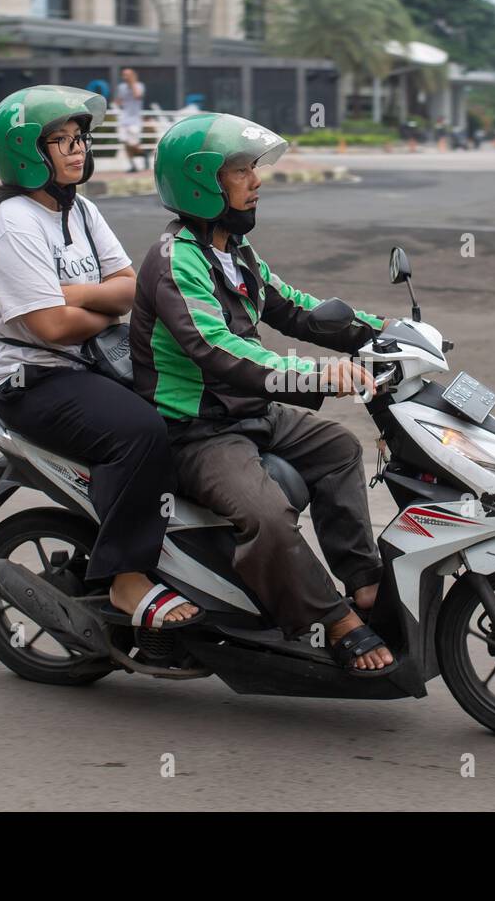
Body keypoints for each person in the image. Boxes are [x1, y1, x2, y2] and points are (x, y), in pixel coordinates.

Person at [128, 112, 398, 675]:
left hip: (252, 412)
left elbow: (296, 309)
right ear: (203, 181)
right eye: (242, 170)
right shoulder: (176, 260)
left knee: (339, 450)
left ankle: (365, 584)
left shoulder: (236, 253)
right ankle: (333, 622)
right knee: (267, 516)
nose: (257, 180)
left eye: (254, 168)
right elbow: (218, 349)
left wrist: (383, 332)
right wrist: (316, 375)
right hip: (199, 429)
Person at [0, 84, 198, 629]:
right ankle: (128, 579)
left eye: (80, 137)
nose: (77, 148)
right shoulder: (12, 223)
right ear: (26, 152)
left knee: (197, 401)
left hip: (90, 362)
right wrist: (99, 307)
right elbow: (52, 328)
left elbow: (131, 285)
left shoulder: (80, 209)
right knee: (139, 430)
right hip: (33, 380)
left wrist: (73, 293)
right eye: (60, 140)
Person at [114, 68, 147, 174]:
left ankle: (144, 154)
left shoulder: (139, 85)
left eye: (128, 75)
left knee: (133, 144)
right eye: (124, 75)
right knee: (125, 143)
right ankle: (133, 165)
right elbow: (118, 102)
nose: (125, 77)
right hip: (124, 119)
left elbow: (138, 96)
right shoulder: (121, 87)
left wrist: (132, 83)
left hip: (135, 119)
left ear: (133, 75)